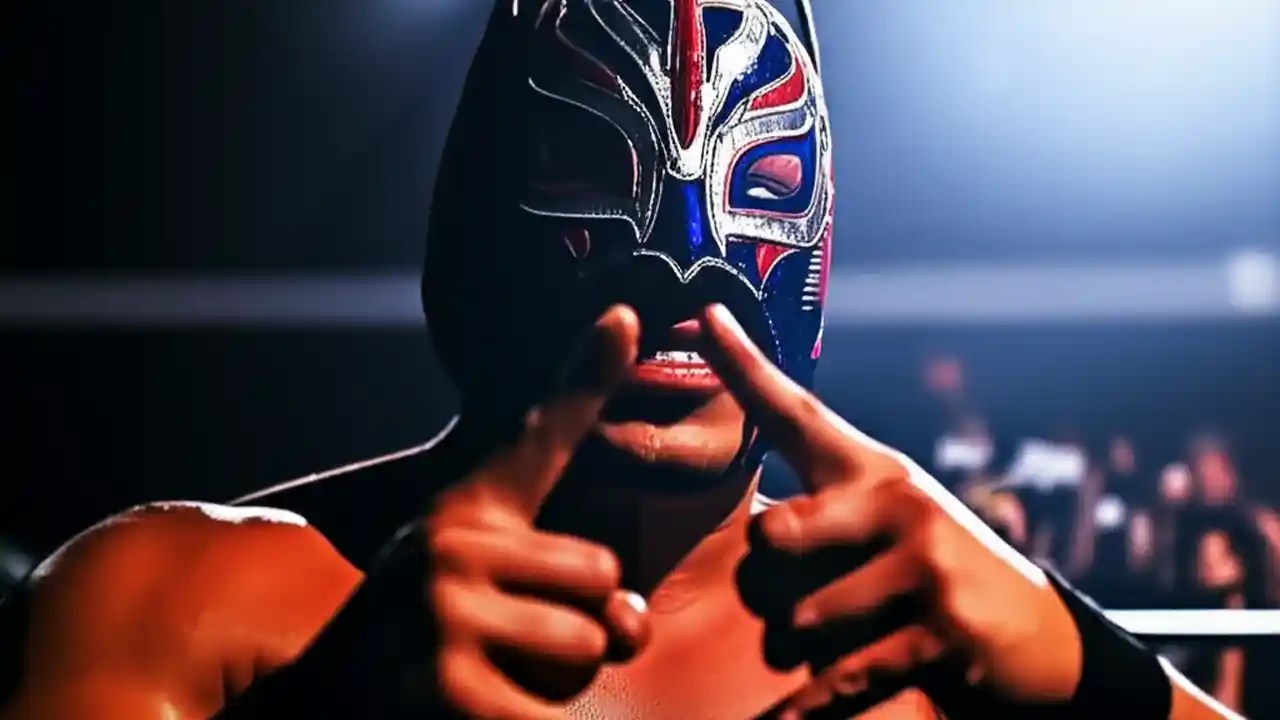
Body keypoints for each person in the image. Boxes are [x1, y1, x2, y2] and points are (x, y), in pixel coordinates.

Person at [0, 1, 1238, 718]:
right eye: (589, 168)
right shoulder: (169, 604)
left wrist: (1089, 675)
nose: (687, 269)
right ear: (478, 211)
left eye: (762, 185)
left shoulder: (927, 662)